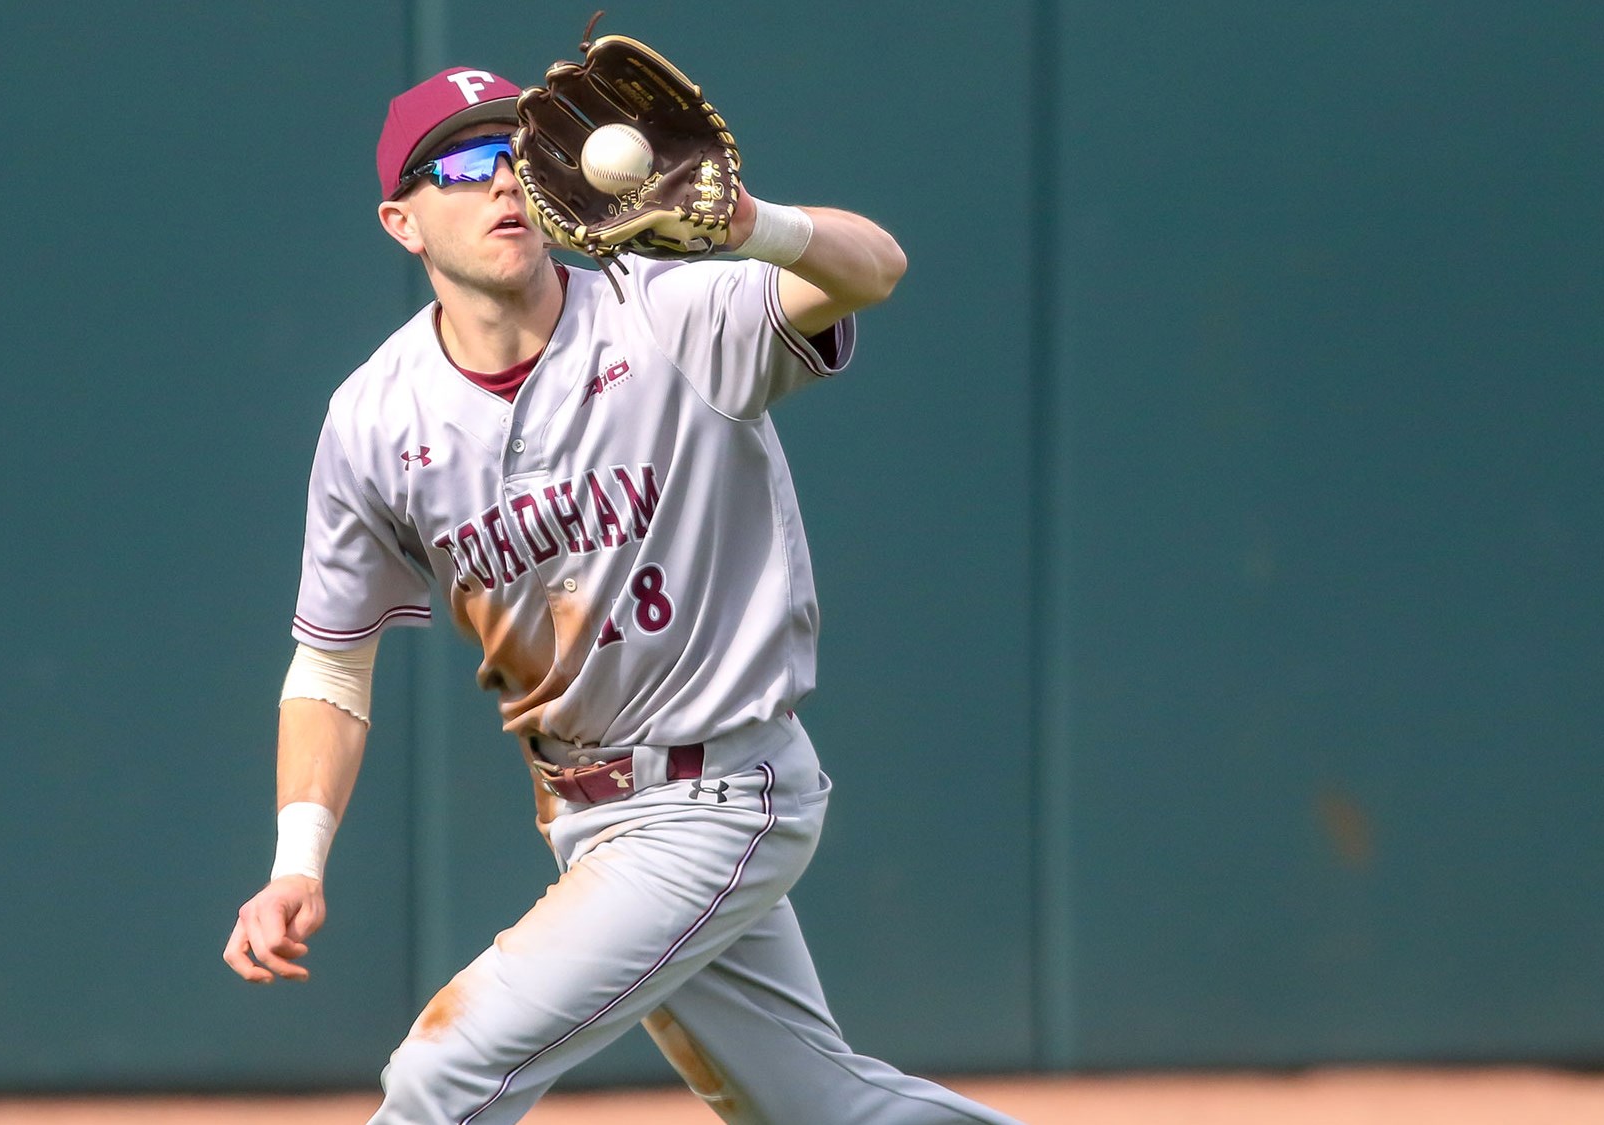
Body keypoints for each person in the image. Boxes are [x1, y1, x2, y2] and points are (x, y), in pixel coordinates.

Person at [222, 64, 1026, 1125]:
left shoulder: (668, 314)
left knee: (440, 1074)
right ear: (400, 221)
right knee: (823, 1108)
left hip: (721, 788)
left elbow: (875, 268)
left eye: (519, 155)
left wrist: (750, 220)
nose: (502, 184)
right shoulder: (372, 419)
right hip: (586, 818)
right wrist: (296, 863)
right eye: (462, 167)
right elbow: (330, 660)